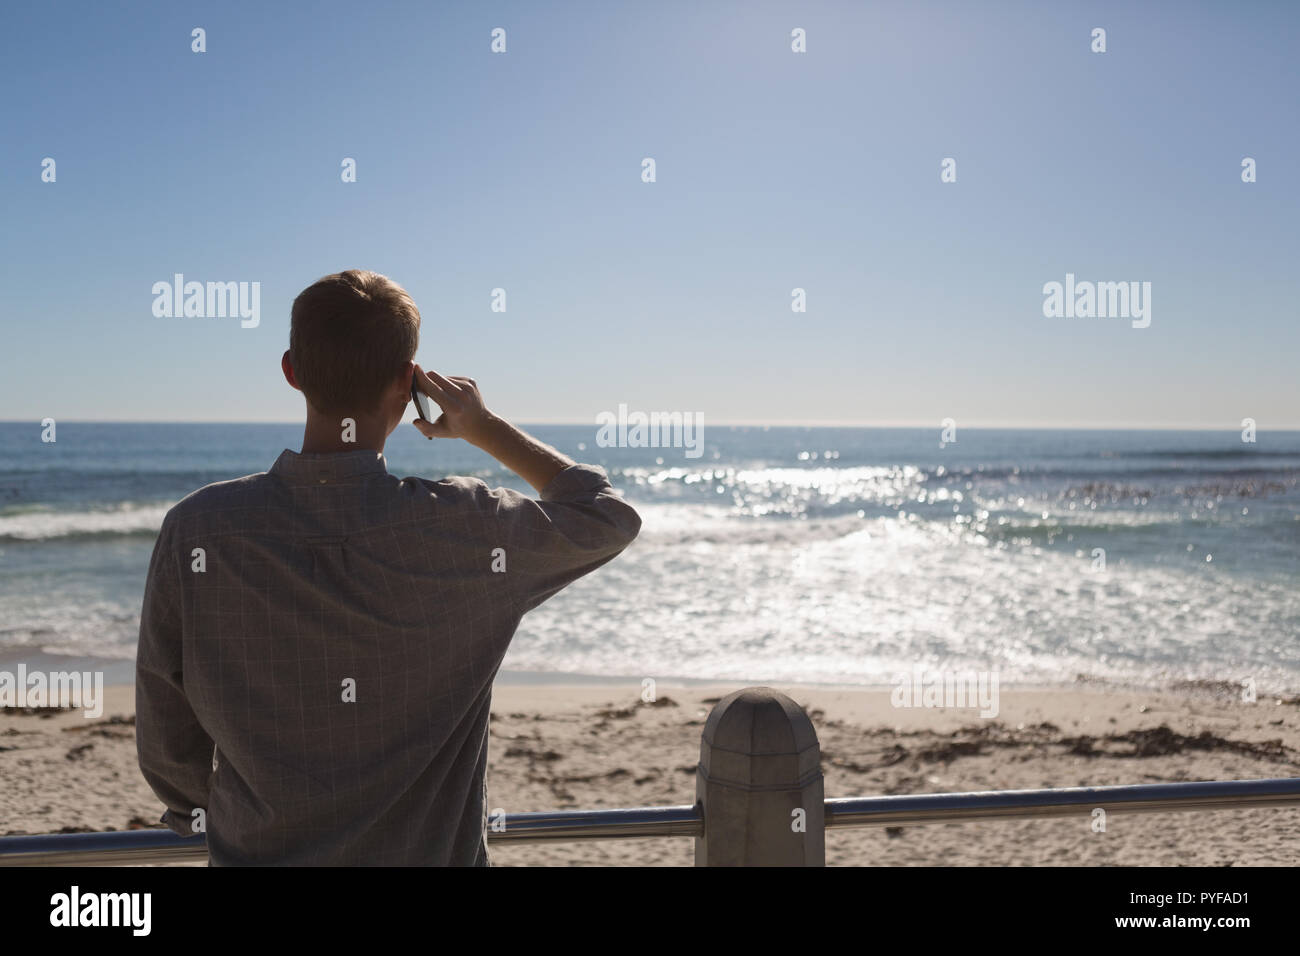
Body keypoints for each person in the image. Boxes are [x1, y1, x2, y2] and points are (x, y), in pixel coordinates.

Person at [135, 270, 640, 865]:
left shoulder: (199, 529)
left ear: (291, 371)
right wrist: (483, 428)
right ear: (409, 383)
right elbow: (605, 515)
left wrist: (207, 806)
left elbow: (166, 731)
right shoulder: (464, 527)